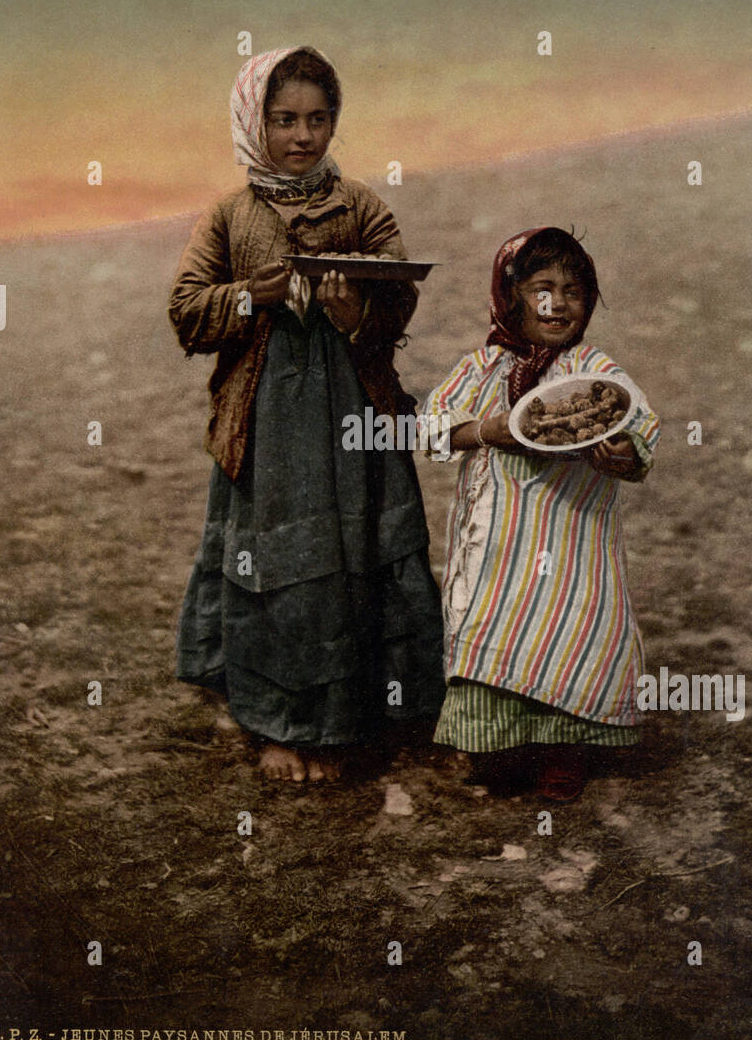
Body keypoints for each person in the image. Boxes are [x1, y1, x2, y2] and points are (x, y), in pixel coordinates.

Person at [169, 45, 443, 783]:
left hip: (353, 417)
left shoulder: (358, 205)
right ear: (254, 123)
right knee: (278, 564)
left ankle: (361, 717)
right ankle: (277, 725)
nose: (302, 136)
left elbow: (400, 290)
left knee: (356, 555)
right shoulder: (228, 216)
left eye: (318, 120)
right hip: (266, 426)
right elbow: (186, 311)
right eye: (284, 119)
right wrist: (247, 297)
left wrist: (358, 310)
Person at [423, 226, 661, 801]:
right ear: (510, 297)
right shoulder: (483, 366)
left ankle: (563, 749)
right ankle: (497, 746)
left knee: (572, 631)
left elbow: (642, 425)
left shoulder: (595, 370)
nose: (559, 303)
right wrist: (490, 429)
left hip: (574, 534)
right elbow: (431, 424)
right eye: (541, 289)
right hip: (498, 542)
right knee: (494, 629)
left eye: (576, 291)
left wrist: (622, 452)